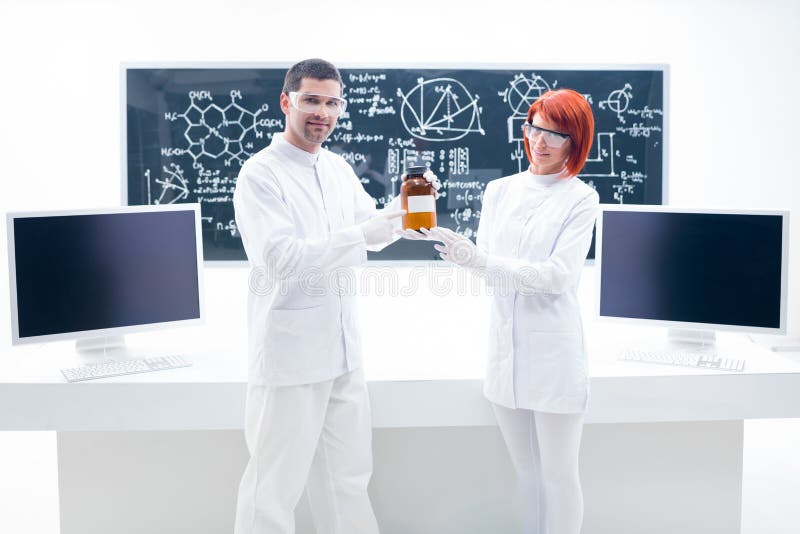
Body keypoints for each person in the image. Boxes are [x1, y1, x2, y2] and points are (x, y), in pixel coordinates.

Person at [405, 89, 599, 534]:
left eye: (557, 134)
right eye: (534, 128)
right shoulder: (499, 191)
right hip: (504, 352)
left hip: (554, 357)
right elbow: (490, 269)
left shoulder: (580, 198)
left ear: (576, 141)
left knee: (559, 475)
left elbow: (558, 277)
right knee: (526, 474)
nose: (541, 141)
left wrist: (482, 260)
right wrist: (459, 253)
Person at [232, 58, 409, 534]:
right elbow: (281, 259)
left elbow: (369, 230)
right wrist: (362, 234)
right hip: (291, 357)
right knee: (273, 488)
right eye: (312, 100)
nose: (322, 113)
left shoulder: (335, 168)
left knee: (347, 479)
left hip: (343, 353)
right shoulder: (260, 174)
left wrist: (404, 209)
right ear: (286, 101)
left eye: (332, 103)